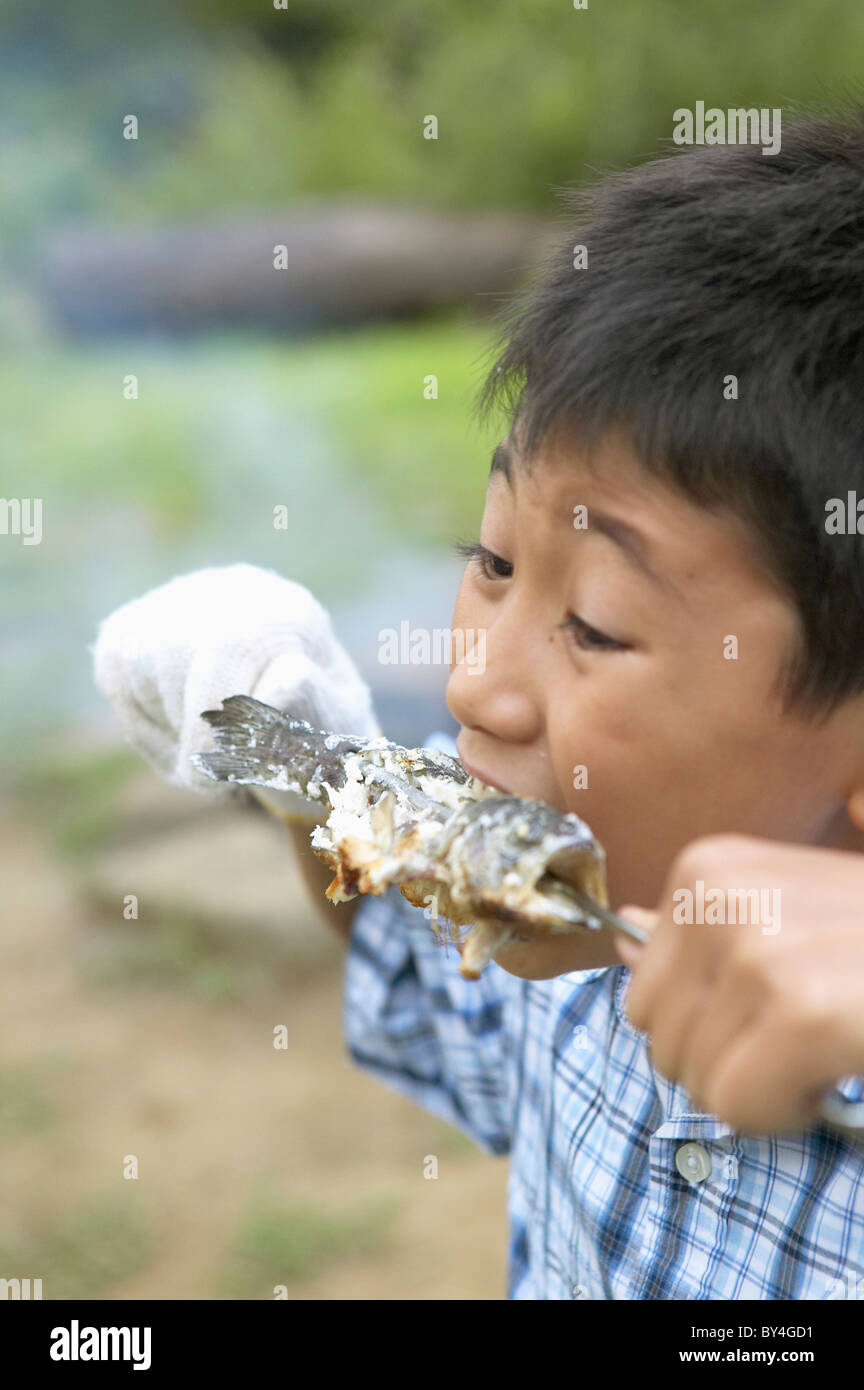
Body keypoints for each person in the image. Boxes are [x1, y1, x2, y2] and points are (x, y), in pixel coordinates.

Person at [93, 112, 864, 1300]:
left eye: (597, 624)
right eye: (493, 558)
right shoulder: (588, 971)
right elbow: (415, 961)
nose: (471, 686)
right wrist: (305, 765)